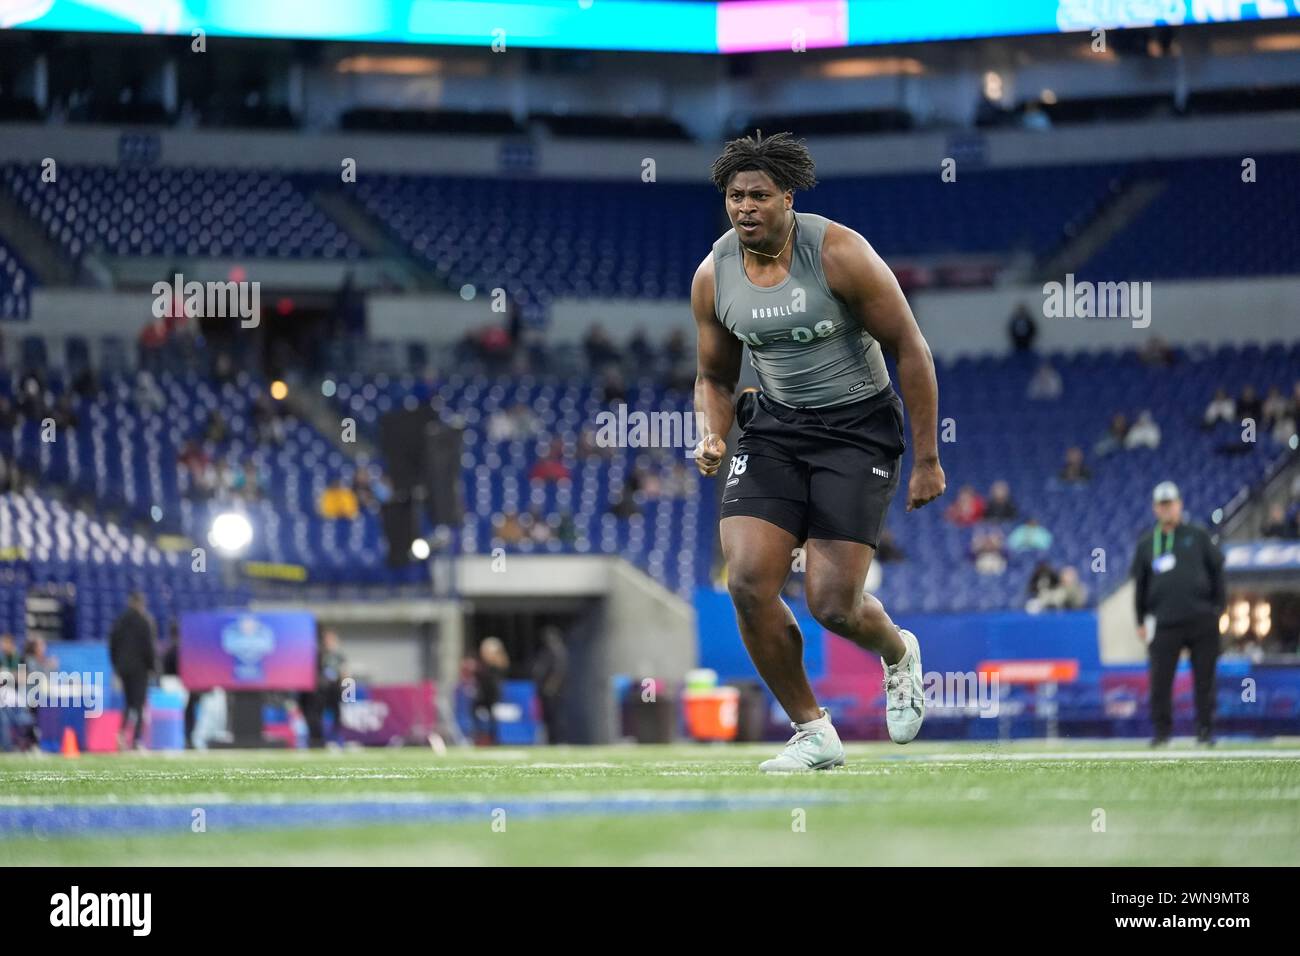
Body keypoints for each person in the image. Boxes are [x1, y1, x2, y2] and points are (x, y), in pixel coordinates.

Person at [692, 131, 944, 772]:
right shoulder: (713, 275)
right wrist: (713, 430)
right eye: (733, 196)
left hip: (859, 429)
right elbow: (716, 377)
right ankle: (813, 732)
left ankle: (897, 651)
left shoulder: (839, 253)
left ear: (788, 197)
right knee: (747, 581)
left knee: (833, 604)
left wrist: (929, 458)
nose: (744, 207)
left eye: (758, 195)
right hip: (775, 428)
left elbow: (910, 348)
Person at [1131, 481, 1225, 746]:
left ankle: (1205, 731)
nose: (1166, 509)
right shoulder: (1147, 543)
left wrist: (1220, 608)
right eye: (1162, 505)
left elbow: (1217, 571)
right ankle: (1162, 733)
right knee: (1160, 679)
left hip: (1201, 618)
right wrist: (1140, 619)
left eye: (1170, 504)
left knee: (1205, 678)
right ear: (1154, 509)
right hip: (1163, 621)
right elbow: (1141, 584)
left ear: (1179, 505)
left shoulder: (1197, 535)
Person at [108, 592, 158, 751]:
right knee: (138, 704)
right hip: (140, 669)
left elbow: (112, 645)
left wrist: (116, 665)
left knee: (128, 704)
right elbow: (148, 647)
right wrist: (152, 667)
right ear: (140, 603)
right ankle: (136, 740)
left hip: (123, 669)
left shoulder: (119, 621)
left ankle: (122, 735)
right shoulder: (145, 621)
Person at [531, 627, 568, 745]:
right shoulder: (546, 651)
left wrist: (551, 686)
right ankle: (551, 740)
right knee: (546, 717)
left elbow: (558, 670)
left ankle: (558, 740)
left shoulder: (557, 651)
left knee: (555, 717)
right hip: (545, 690)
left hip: (554, 692)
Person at [473, 637, 509, 745]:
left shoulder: (496, 668)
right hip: (484, 701)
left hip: (493, 701)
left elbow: (493, 688)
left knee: (490, 721)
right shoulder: (483, 667)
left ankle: (492, 740)